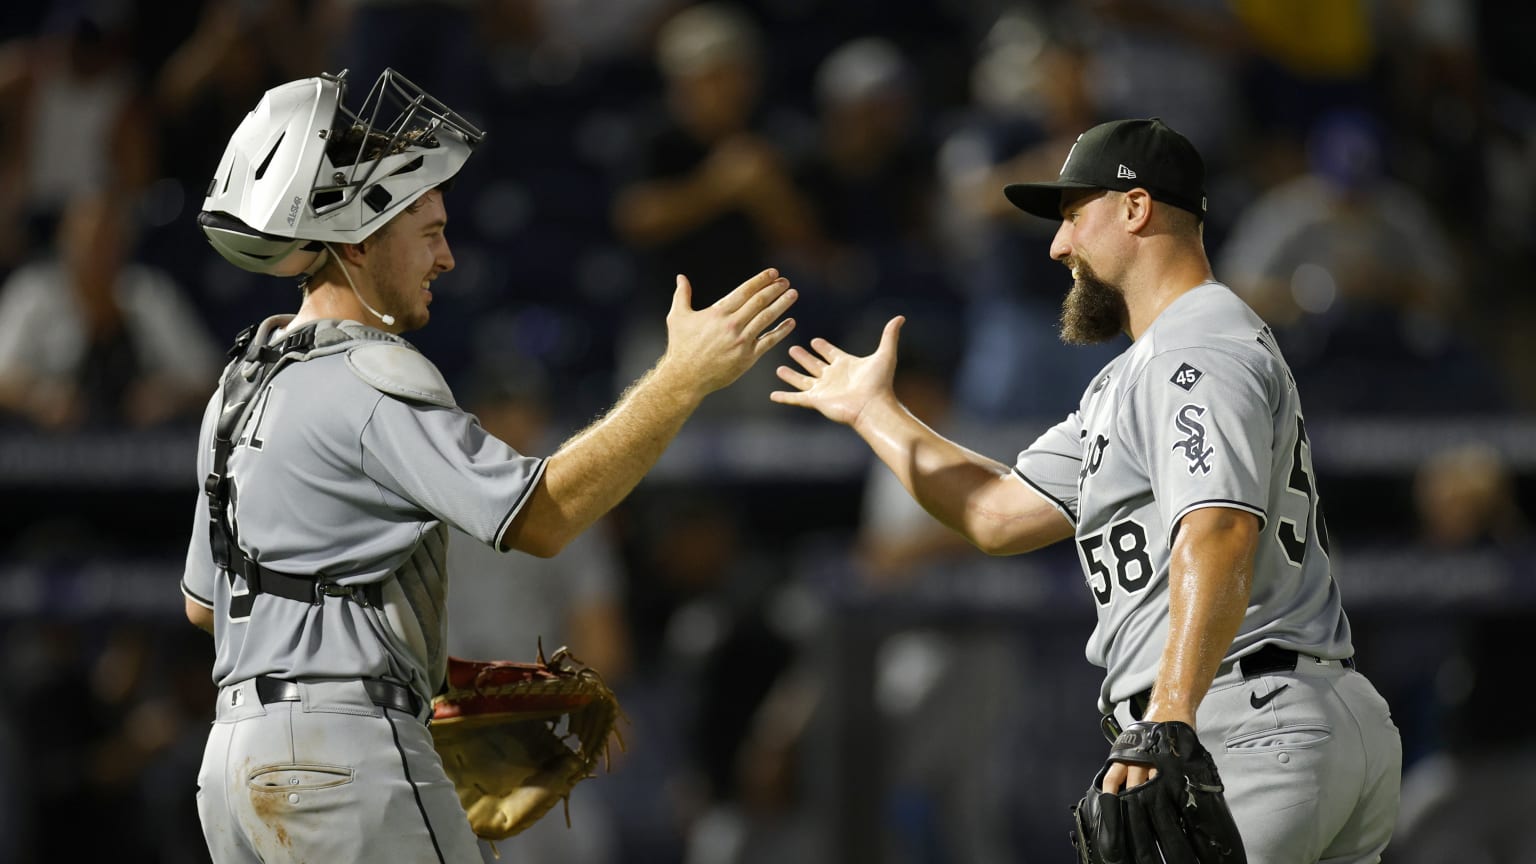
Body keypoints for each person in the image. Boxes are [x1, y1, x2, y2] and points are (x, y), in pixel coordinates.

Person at [180, 69, 797, 863]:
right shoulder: (376, 372)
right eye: (429, 230)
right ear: (361, 241)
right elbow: (541, 517)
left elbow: (205, 604)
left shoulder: (242, 380)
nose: (449, 257)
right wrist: (681, 381)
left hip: (233, 766)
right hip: (342, 760)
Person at [771, 117, 1401, 862]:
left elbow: (1220, 529)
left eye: (1073, 216)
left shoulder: (1193, 348)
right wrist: (875, 412)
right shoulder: (1140, 374)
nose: (1057, 245)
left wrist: (1170, 717)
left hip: (1244, 720)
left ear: (1136, 208)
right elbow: (997, 513)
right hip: (1283, 714)